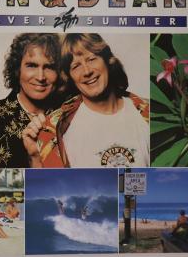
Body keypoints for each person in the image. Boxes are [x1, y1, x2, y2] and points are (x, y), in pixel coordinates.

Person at [22, 34, 150, 168]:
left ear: (108, 61)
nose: (87, 71)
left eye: (92, 59)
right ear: (69, 77)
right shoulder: (55, 129)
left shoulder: (147, 112)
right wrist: (35, 156)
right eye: (76, 66)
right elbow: (51, 180)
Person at [0, 34, 63, 168]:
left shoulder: (68, 112)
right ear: (17, 69)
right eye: (32, 66)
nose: (40, 77)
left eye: (49, 67)